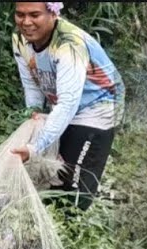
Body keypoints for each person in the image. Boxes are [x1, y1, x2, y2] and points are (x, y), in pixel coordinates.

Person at [9, 1, 124, 211]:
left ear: (53, 13)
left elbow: (68, 102)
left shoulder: (69, 45)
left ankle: (75, 223)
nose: (26, 22)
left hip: (98, 110)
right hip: (62, 105)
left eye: (34, 15)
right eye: (20, 15)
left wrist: (34, 147)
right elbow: (32, 84)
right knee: (52, 177)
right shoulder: (20, 39)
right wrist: (34, 113)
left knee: (73, 187)